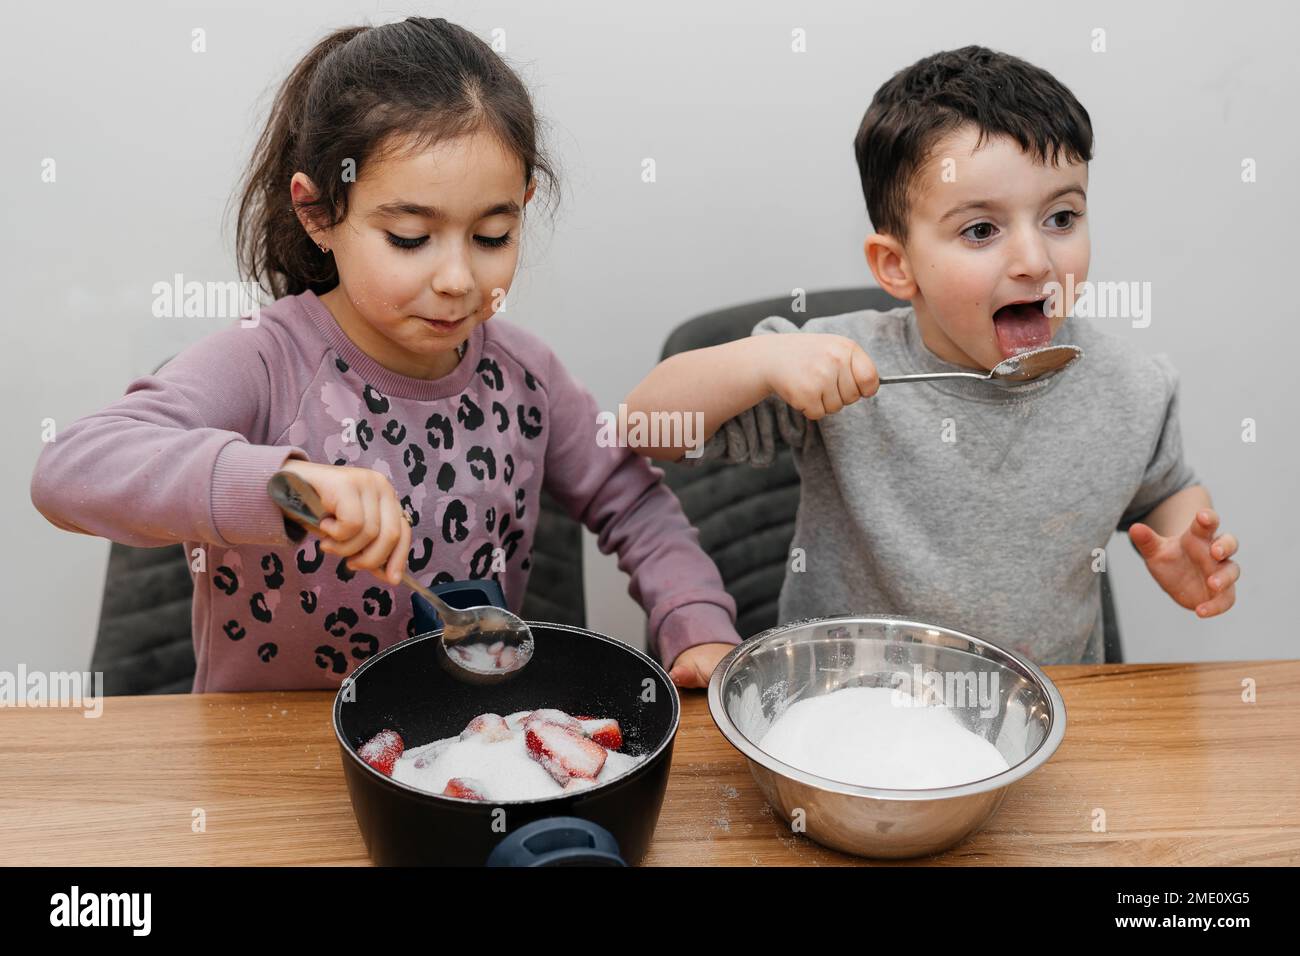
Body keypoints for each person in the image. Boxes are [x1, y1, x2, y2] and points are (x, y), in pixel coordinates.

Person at [31, 17, 740, 692]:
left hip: (454, 744)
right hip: (264, 760)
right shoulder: (265, 359)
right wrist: (286, 484)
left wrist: (695, 625)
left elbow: (637, 504)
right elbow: (69, 469)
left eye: (493, 235)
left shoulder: (527, 376)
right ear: (318, 214)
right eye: (408, 238)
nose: (458, 279)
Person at [623, 46, 1240, 664]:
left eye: (1061, 216)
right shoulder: (834, 364)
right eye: (981, 231)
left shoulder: (1129, 386)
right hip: (847, 711)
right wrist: (758, 364)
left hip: (1044, 717)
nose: (1035, 260)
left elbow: (1167, 489)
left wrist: (1185, 540)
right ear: (896, 265)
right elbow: (643, 429)